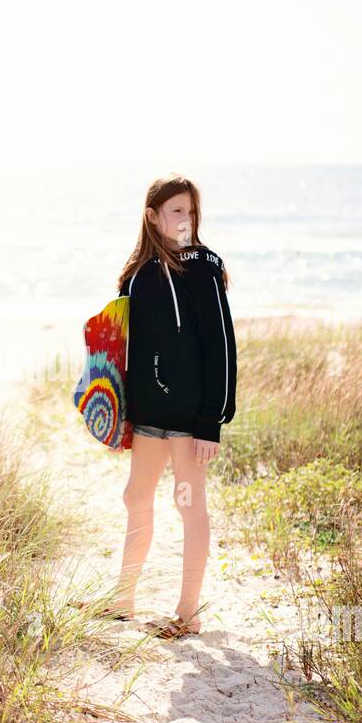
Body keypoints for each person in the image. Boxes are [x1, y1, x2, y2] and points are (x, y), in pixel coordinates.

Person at [71, 175, 237, 640]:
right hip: (147, 418)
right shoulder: (136, 275)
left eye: (190, 212)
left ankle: (188, 613)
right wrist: (116, 417)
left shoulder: (203, 269)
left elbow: (221, 347)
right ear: (152, 216)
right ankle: (123, 600)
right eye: (176, 211)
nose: (185, 221)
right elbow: (119, 351)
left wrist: (212, 421)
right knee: (135, 498)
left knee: (189, 505)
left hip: (190, 421)